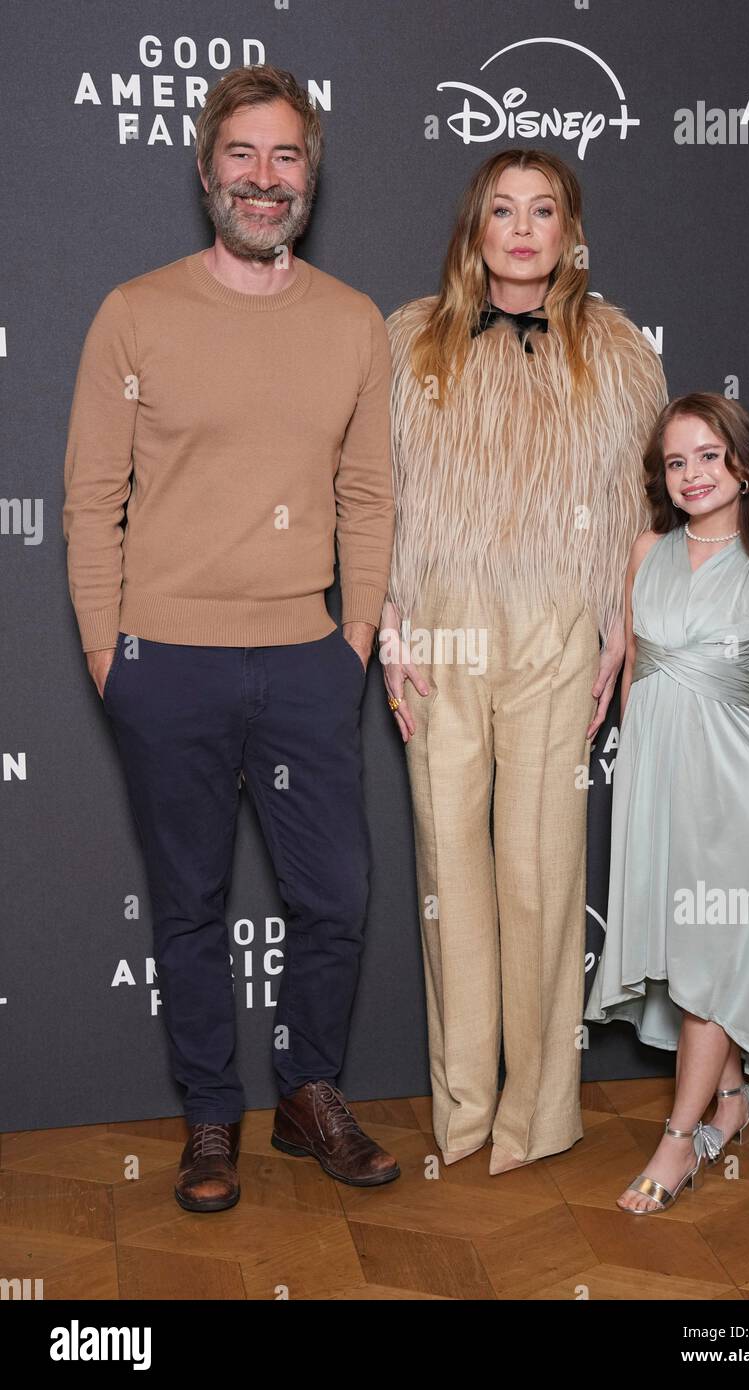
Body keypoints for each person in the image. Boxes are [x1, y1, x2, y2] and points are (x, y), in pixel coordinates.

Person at [62, 64, 399, 1211]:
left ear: (310, 173)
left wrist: (349, 634)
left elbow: (367, 494)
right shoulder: (134, 311)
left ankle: (309, 1093)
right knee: (191, 902)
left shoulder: (353, 320)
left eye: (286, 157)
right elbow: (89, 495)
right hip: (166, 662)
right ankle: (212, 1114)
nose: (265, 179)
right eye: (243, 156)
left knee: (337, 896)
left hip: (306, 661)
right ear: (207, 168)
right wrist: (111, 656)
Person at [379, 149, 668, 1174]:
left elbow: (644, 510)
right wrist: (386, 622)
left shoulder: (622, 353)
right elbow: (374, 498)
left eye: (541, 210)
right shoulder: (406, 342)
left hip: (556, 628)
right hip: (440, 627)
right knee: (446, 872)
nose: (520, 227)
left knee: (542, 871)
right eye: (501, 209)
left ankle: (538, 1115)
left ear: (567, 230)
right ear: (475, 227)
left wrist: (623, 624)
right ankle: (460, 1112)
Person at [584, 392, 749, 1213]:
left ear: (744, 464)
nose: (692, 474)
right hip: (657, 784)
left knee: (713, 956)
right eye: (676, 461)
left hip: (735, 787)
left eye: (710, 455)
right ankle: (734, 1096)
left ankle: (678, 1143)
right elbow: (632, 667)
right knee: (688, 954)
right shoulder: (646, 548)